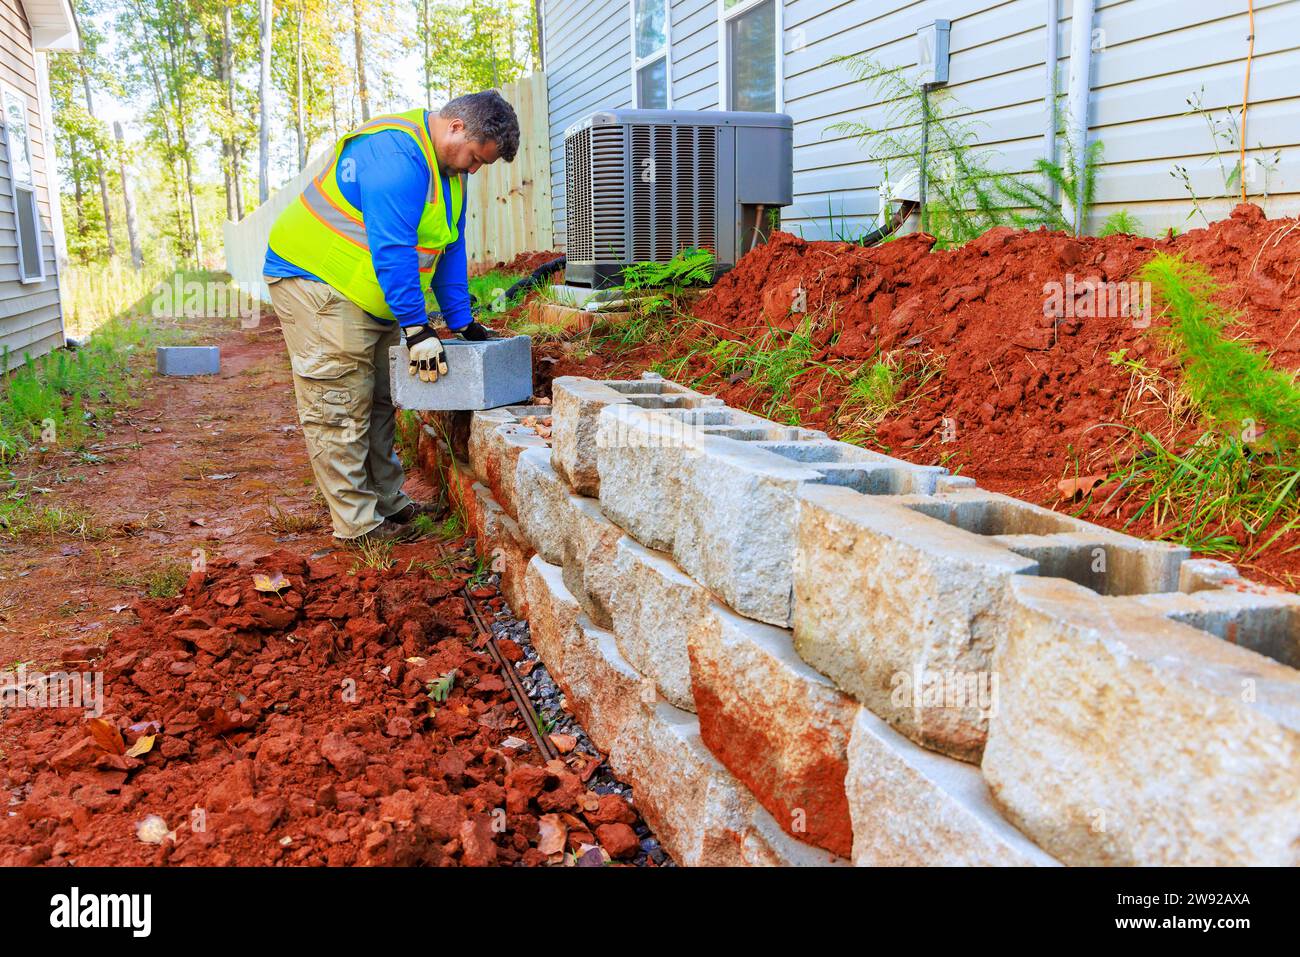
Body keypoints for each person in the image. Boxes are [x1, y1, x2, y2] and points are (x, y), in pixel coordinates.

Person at [262, 91, 519, 545]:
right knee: (339, 403)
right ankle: (357, 525)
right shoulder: (396, 155)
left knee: (381, 396)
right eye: (477, 159)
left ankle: (387, 500)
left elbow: (448, 247)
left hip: (370, 291)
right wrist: (418, 328)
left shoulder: (449, 172)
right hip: (318, 281)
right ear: (456, 127)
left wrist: (461, 322)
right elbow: (394, 248)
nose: (475, 170)